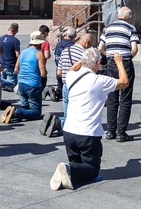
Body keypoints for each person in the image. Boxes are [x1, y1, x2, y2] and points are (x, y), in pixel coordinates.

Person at [50, 49, 129, 190]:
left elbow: (71, 68)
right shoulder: (99, 80)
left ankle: (70, 171)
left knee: (78, 163)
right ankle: (69, 169)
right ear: (97, 64)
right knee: (92, 170)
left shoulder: (71, 76)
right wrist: (119, 62)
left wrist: (84, 59)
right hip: (88, 133)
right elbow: (124, 82)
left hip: (69, 131)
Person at [99, 6, 140, 142]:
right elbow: (134, 49)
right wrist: (126, 58)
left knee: (112, 97)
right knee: (126, 98)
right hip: (125, 62)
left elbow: (100, 48)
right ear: (128, 16)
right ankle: (121, 133)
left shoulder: (108, 28)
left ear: (118, 15)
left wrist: (110, 56)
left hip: (111, 63)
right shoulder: (130, 28)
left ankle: (110, 131)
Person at [2, 31, 47, 123]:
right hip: (33, 84)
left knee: (25, 106)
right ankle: (17, 112)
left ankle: (16, 113)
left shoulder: (23, 52)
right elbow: (43, 73)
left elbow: (16, 69)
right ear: (39, 43)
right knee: (36, 112)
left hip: (21, 83)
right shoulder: (39, 53)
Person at [60, 31, 91, 119]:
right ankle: (58, 122)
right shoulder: (85, 54)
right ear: (86, 43)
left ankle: (59, 122)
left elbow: (59, 72)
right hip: (78, 85)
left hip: (66, 84)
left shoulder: (65, 50)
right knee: (77, 114)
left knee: (67, 113)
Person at [53, 28, 76, 100]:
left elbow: (54, 57)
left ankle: (56, 94)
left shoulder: (59, 43)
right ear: (75, 36)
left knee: (60, 85)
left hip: (58, 68)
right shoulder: (72, 46)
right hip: (67, 70)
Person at [0, 23, 21, 91]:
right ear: (16, 30)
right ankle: (0, 82)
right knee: (13, 82)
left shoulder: (1, 38)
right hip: (11, 64)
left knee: (3, 77)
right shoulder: (15, 40)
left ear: (9, 29)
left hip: (2, 62)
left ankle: (1, 82)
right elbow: (17, 54)